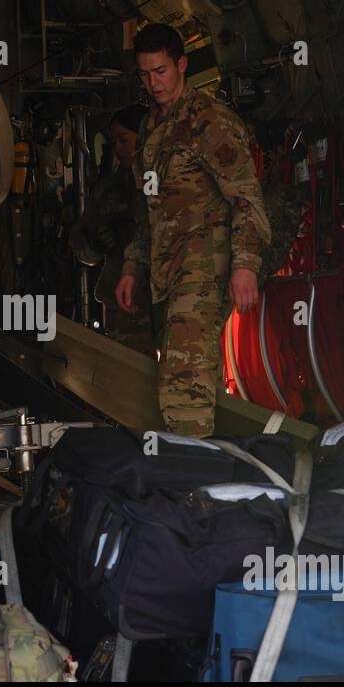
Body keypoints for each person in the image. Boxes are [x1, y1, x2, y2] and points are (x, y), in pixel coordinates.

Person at [115, 23, 272, 437]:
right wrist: (133, 265)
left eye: (161, 72)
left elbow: (246, 198)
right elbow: (149, 207)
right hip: (167, 270)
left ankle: (193, 481)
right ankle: (187, 468)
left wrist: (246, 266)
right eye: (146, 75)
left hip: (204, 267)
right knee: (178, 376)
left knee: (184, 383)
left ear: (182, 65)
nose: (154, 84)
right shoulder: (151, 128)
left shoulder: (210, 122)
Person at [69, 103, 156, 356]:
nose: (118, 149)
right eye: (114, 142)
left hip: (167, 299)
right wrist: (95, 244)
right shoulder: (109, 189)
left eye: (124, 140)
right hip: (125, 306)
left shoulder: (170, 182)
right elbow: (80, 245)